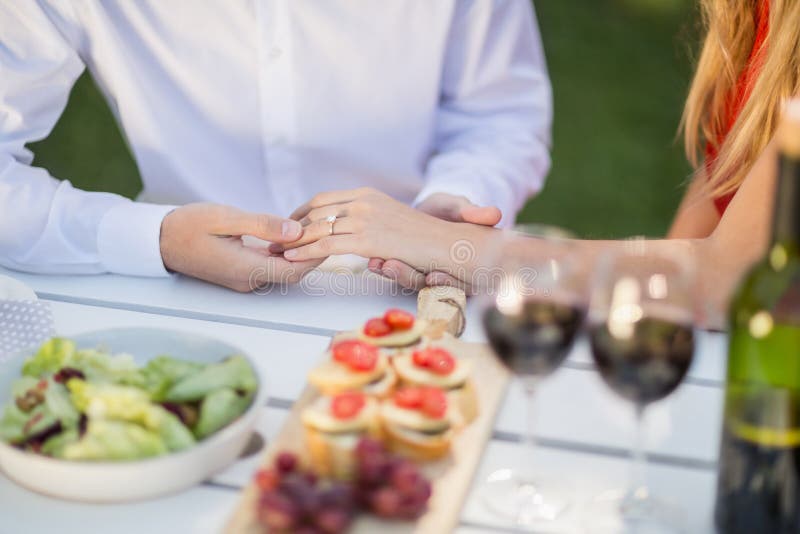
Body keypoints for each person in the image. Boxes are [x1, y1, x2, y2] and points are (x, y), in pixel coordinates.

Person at [276, 0, 800, 324]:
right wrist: (660, 313)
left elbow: (732, 275)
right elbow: (727, 183)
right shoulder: (755, 17)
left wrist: (449, 246)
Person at [0, 1, 551, 291]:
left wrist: (457, 199)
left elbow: (500, 112)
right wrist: (156, 238)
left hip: (417, 282)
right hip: (173, 286)